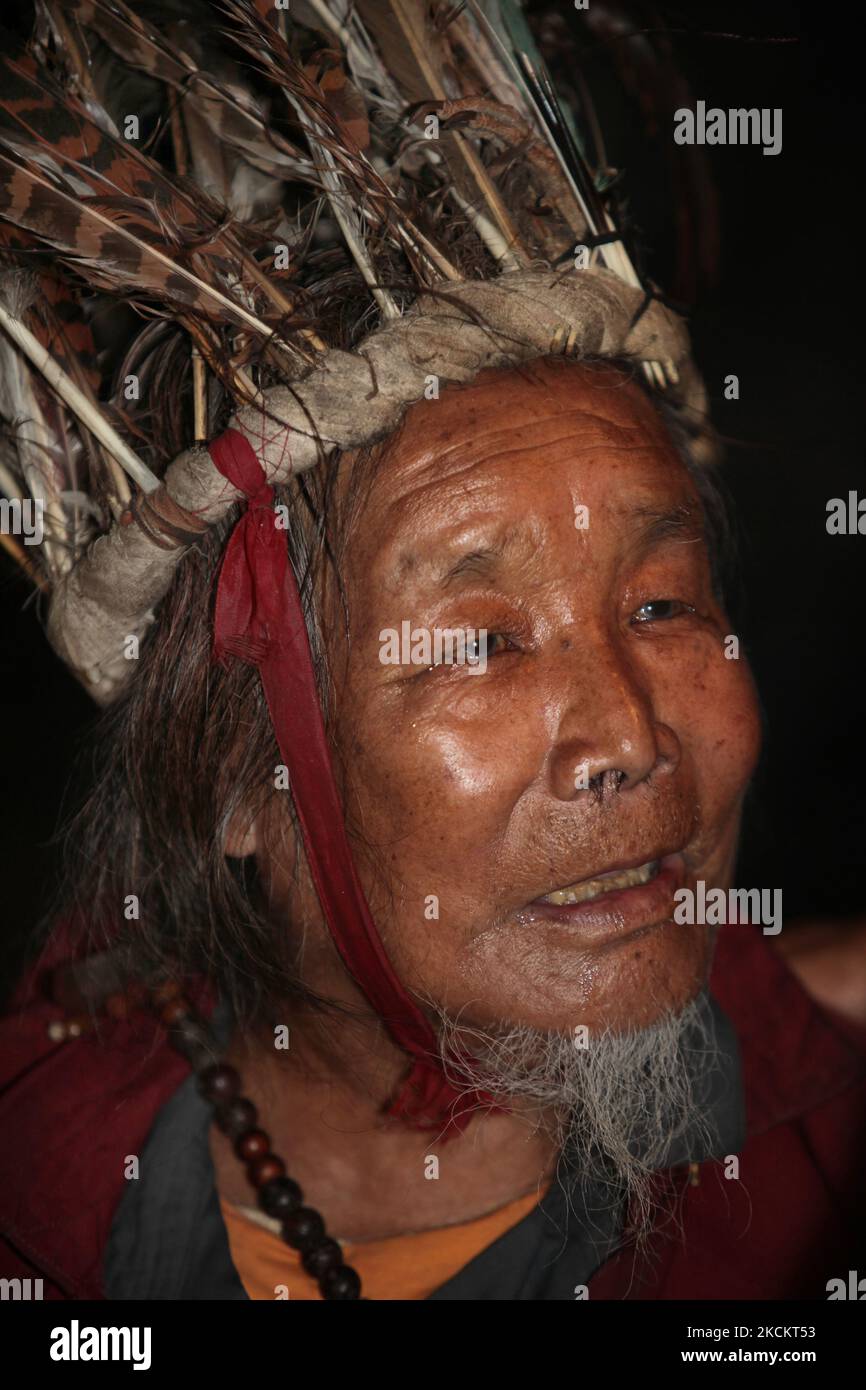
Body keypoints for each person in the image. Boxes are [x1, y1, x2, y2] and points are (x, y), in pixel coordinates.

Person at [0, 0, 863, 1302]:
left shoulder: (821, 1155)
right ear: (228, 773)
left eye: (663, 604)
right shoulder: (39, 1177)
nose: (629, 737)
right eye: (480, 640)